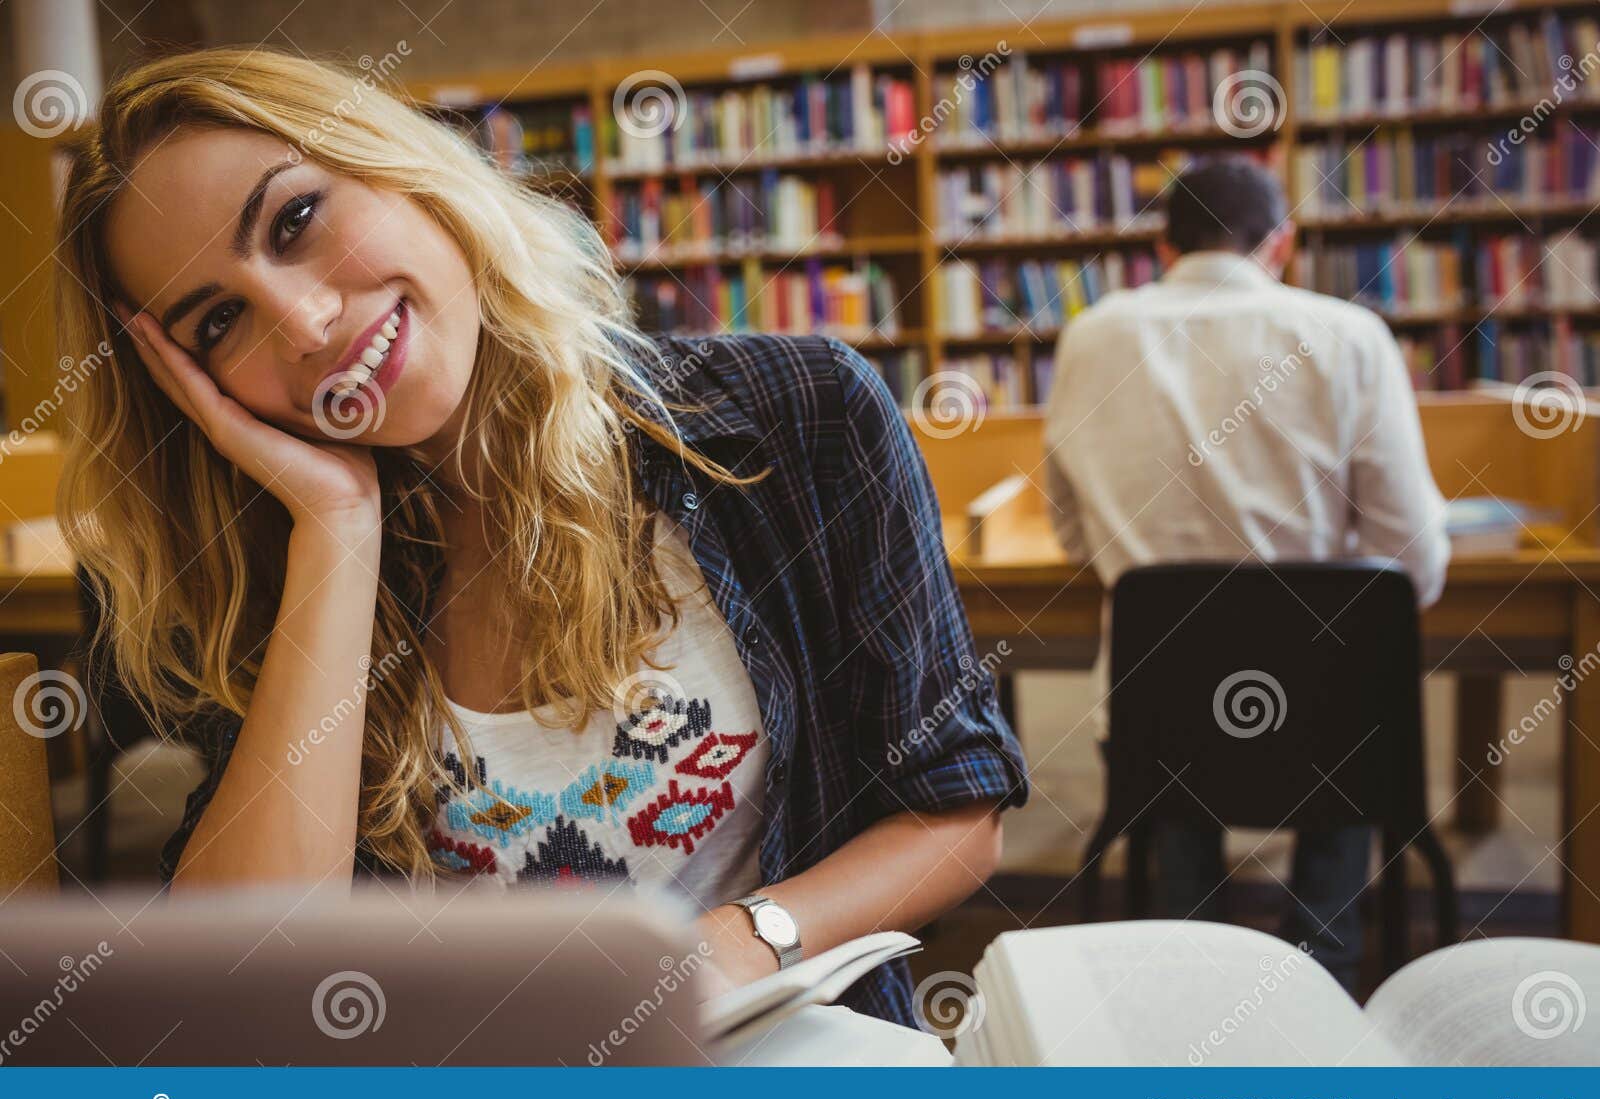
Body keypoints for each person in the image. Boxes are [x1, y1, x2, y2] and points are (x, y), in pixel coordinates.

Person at [55, 47, 1028, 1027]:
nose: (305, 324)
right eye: (220, 320)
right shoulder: (273, 562)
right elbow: (246, 973)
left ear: (402, 167)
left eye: (297, 219)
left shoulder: (800, 414)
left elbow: (954, 810)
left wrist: (743, 938)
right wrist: (340, 531)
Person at [1043, 157, 1449, 992]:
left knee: (1178, 728)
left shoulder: (1091, 336)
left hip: (1160, 713)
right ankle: (1325, 977)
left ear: (1164, 244)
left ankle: (1196, 983)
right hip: (1329, 723)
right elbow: (1412, 564)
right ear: (1282, 244)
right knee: (1355, 698)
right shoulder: (1348, 336)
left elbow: (1073, 533)